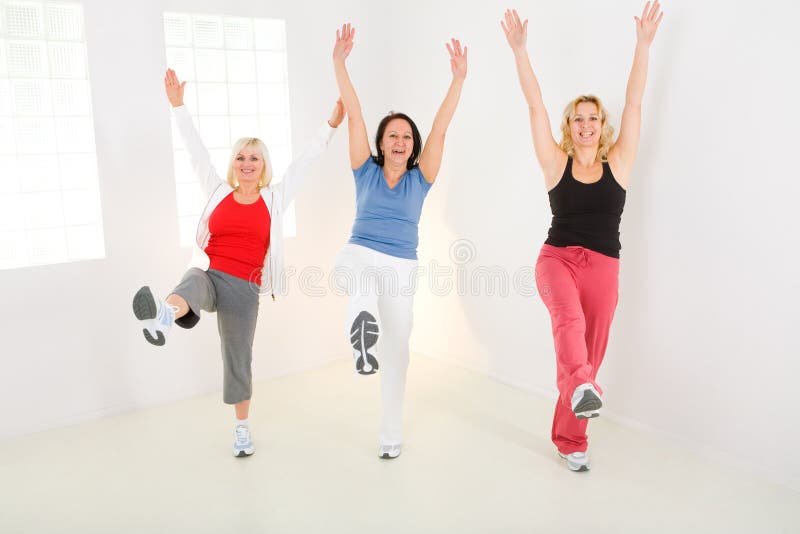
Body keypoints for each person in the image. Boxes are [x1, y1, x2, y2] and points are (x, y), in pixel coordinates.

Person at [132, 68, 344, 457]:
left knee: (237, 357)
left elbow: (307, 162)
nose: (247, 163)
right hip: (210, 274)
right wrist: (178, 107)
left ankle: (242, 429)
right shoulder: (217, 191)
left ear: (263, 165)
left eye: (254, 158)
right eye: (241, 157)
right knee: (190, 279)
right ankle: (163, 317)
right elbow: (195, 151)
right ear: (234, 164)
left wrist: (330, 125)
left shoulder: (275, 198)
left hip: (244, 288)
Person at [501, 2, 663, 471]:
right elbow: (535, 104)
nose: (586, 125)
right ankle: (578, 397)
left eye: (593, 118)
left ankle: (571, 439)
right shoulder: (556, 162)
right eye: (578, 119)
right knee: (569, 324)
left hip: (605, 268)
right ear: (569, 128)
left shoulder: (621, 161)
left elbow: (635, 102)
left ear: (602, 125)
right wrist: (520, 51)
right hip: (557, 260)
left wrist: (643, 45)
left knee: (588, 356)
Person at [331, 23, 467, 459]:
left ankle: (390, 434)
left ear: (413, 146)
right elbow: (355, 114)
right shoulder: (364, 169)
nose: (400, 141)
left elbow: (440, 129)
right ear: (381, 142)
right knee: (355, 277)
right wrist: (338, 63)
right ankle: (363, 332)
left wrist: (458, 80)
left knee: (400, 352)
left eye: (407, 136)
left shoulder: (420, 179)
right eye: (392, 134)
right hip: (358, 252)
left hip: (400, 267)